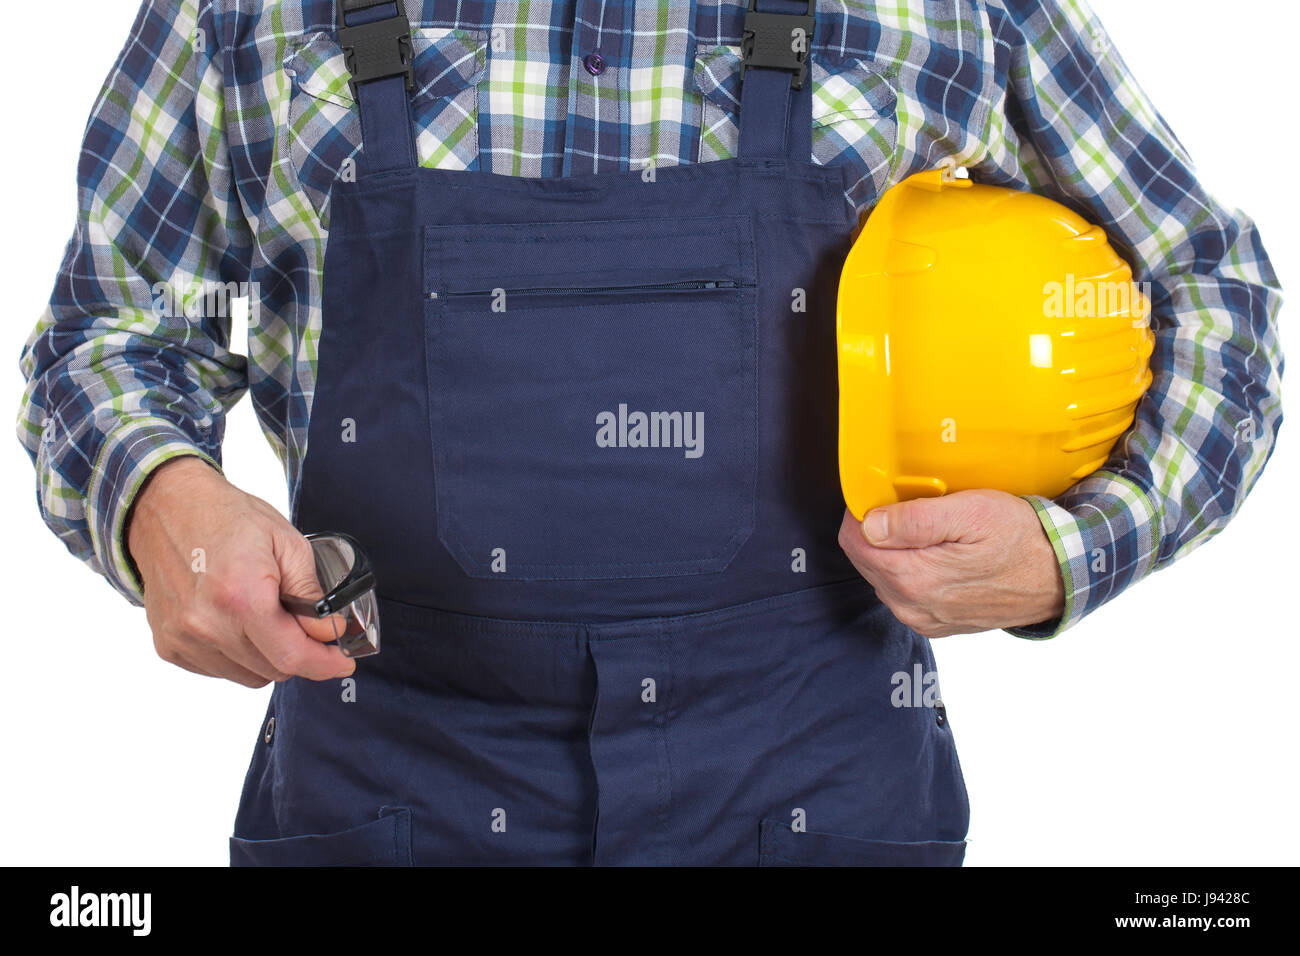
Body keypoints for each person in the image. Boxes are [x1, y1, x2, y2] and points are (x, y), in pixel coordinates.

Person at [16, 0, 1282, 866]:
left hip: (815, 795)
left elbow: (1206, 288)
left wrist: (1075, 550)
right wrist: (159, 496)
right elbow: (110, 334)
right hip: (387, 792)